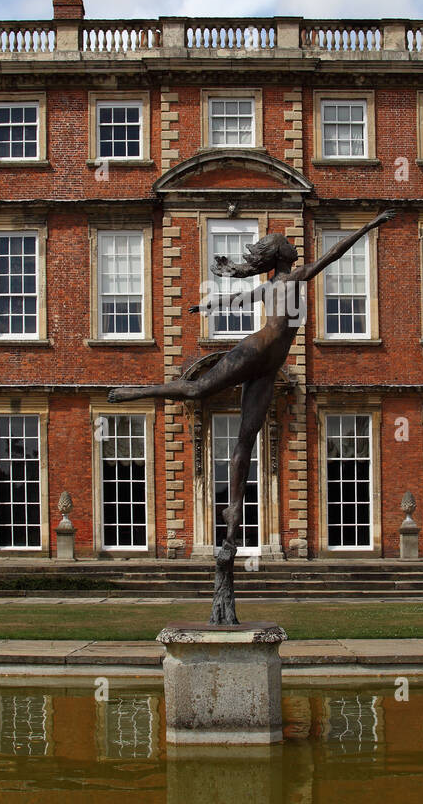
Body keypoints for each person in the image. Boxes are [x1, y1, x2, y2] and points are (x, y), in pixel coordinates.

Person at [108, 206, 397, 622]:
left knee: (246, 439)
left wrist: (209, 305)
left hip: (270, 366)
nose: (296, 247)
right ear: (281, 256)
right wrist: (367, 227)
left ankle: (230, 524)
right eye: (289, 245)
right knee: (199, 388)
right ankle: (137, 392)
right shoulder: (290, 279)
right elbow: (333, 255)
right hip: (258, 350)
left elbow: (238, 295)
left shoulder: (275, 284)